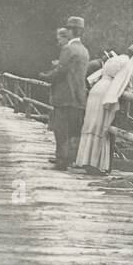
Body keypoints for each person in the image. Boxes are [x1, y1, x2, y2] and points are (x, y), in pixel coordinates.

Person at [75, 43, 133, 174]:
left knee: (92, 125)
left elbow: (96, 76)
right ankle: (97, 165)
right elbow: (128, 86)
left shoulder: (114, 59)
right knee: (103, 127)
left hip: (96, 90)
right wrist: (127, 109)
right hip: (106, 92)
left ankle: (86, 161)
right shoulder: (128, 63)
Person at [39, 17, 90, 169]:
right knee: (73, 130)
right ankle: (68, 159)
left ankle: (61, 161)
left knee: (61, 130)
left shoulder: (68, 49)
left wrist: (45, 76)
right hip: (78, 97)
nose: (66, 31)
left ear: (71, 31)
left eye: (67, 28)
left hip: (65, 95)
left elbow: (61, 72)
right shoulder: (84, 50)